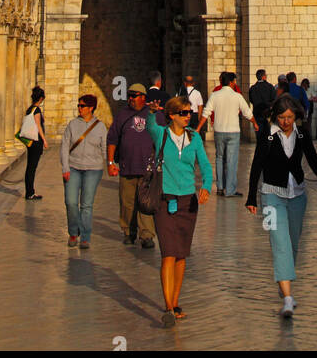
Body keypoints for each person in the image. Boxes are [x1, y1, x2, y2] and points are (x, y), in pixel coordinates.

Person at [246, 94, 317, 317]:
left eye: (289, 117)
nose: (286, 122)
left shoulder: (303, 134)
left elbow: (313, 159)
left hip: (297, 194)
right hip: (270, 195)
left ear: (296, 115)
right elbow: (257, 164)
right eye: (281, 117)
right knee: (280, 243)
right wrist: (251, 198)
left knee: (293, 244)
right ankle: (287, 298)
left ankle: (284, 280)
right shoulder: (266, 134)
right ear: (275, 116)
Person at [145, 96, 212, 327]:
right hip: (165, 200)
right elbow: (150, 125)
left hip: (187, 202)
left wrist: (206, 187)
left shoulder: (194, 138)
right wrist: (152, 111)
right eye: (183, 112)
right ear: (172, 115)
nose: (188, 116)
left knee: (182, 254)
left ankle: (175, 302)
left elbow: (204, 165)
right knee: (168, 253)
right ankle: (167, 306)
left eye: (190, 112)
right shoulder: (162, 134)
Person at [107, 83, 157, 248]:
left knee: (146, 202)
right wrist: (110, 162)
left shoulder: (153, 114)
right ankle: (129, 231)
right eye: (129, 95)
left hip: (147, 168)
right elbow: (112, 139)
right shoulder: (122, 115)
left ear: (143, 97)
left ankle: (147, 234)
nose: (130, 99)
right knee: (127, 201)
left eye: (134, 95)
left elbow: (162, 136)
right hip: (127, 166)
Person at [197, 73, 257, 196]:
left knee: (219, 158)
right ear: (231, 82)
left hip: (219, 131)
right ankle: (230, 190)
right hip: (233, 132)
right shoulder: (237, 96)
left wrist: (198, 128)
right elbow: (247, 113)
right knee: (231, 160)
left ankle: (220, 187)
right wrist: (255, 124)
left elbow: (206, 112)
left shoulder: (215, 95)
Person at [61, 94, 107, 248]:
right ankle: (73, 232)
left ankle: (85, 237)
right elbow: (64, 147)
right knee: (71, 202)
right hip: (73, 167)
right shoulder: (72, 124)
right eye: (78, 106)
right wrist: (65, 167)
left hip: (93, 169)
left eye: (82, 106)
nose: (79, 108)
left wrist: (110, 164)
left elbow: (105, 147)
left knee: (86, 204)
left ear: (91, 108)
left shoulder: (100, 127)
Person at [23, 86, 48, 200]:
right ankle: (30, 193)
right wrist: (44, 140)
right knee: (32, 167)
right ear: (41, 98)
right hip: (36, 141)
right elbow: (38, 126)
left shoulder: (29, 109)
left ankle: (29, 191)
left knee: (30, 166)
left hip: (30, 141)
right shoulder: (36, 110)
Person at [249, 69, 276, 140]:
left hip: (257, 113)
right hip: (268, 114)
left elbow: (251, 100)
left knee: (259, 136)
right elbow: (274, 99)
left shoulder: (253, 88)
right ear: (263, 77)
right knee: (269, 135)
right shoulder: (270, 87)